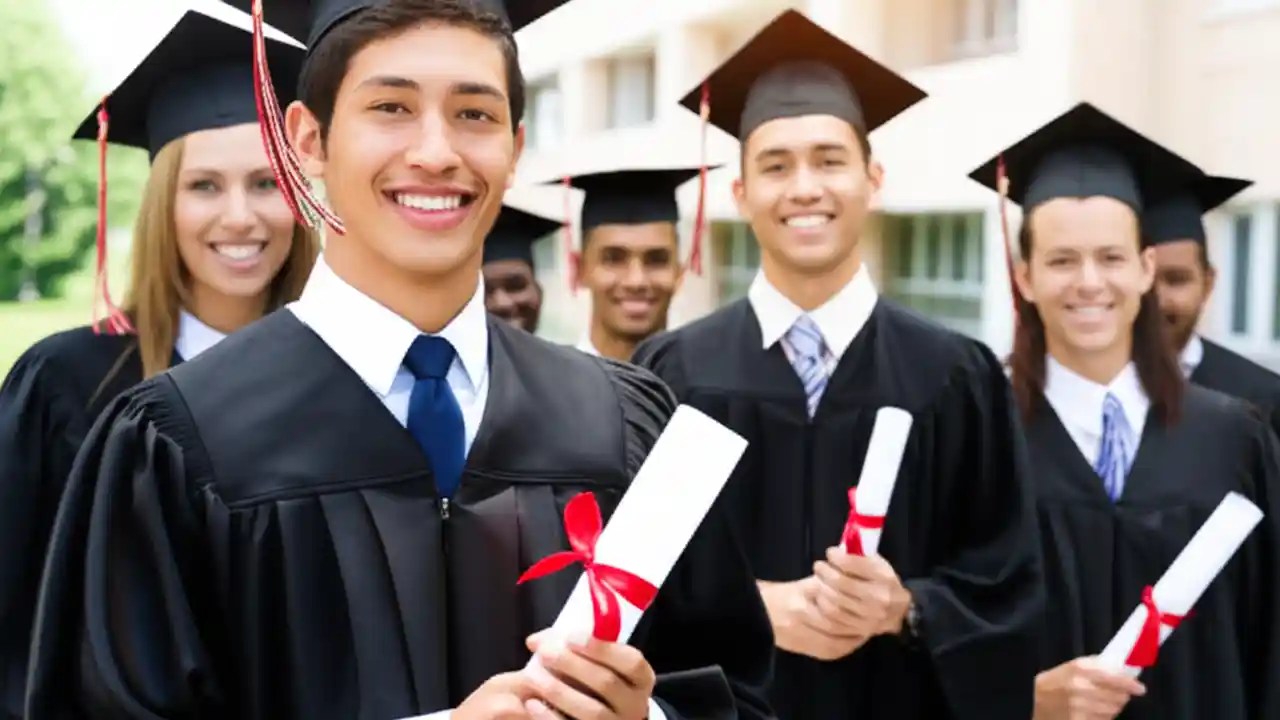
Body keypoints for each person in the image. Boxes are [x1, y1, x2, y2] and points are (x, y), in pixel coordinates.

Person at [25, 2, 774, 719]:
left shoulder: (621, 425)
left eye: (474, 114)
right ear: (308, 141)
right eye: (392, 108)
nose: (437, 152)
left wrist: (644, 716)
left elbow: (735, 694)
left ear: (514, 148)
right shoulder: (178, 444)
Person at [633, 9, 1044, 720]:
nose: (804, 188)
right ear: (740, 196)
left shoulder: (957, 377)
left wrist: (906, 609)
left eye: (829, 160)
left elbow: (1009, 582)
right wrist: (754, 607)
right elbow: (621, 579)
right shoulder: (672, 374)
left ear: (872, 179)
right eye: (775, 165)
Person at [0, 6, 317, 716]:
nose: (239, 216)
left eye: (267, 183)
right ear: (162, 204)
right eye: (203, 185)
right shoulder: (65, 385)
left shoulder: (342, 381)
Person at [969, 101, 1280, 720]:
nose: (1089, 283)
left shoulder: (1234, 438)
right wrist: (1020, 697)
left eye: (1111, 258)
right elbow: (935, 642)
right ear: (1025, 277)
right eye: (1061, 260)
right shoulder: (977, 439)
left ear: (1144, 270)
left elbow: (1271, 637)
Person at [1142, 173, 1280, 438]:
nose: (1156, 300)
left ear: (1207, 284)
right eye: (1144, 277)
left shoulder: (1261, 400)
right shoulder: (1076, 394)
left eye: (1176, 280)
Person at [559, 166, 697, 360]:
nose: (636, 281)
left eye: (656, 260)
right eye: (613, 259)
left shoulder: (706, 386)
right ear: (579, 269)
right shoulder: (547, 386)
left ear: (680, 273)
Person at [482, 202, 561, 333]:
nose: (502, 303)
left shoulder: (565, 353)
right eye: (482, 292)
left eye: (516, 286)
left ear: (539, 291)